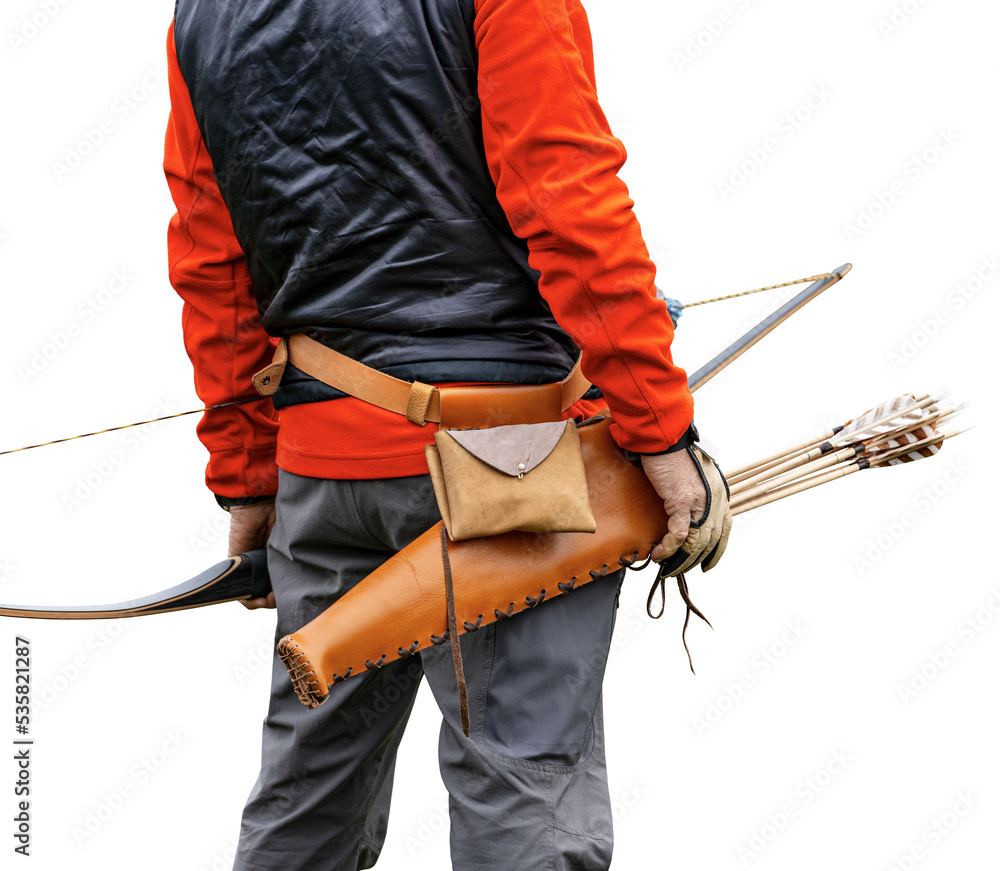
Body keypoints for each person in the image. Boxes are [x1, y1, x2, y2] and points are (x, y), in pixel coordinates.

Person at [163, 0, 729, 868]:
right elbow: (566, 202)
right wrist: (660, 431)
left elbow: (214, 259)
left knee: (306, 806)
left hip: (323, 480)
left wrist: (248, 477)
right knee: (525, 805)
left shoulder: (204, 12)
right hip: (508, 473)